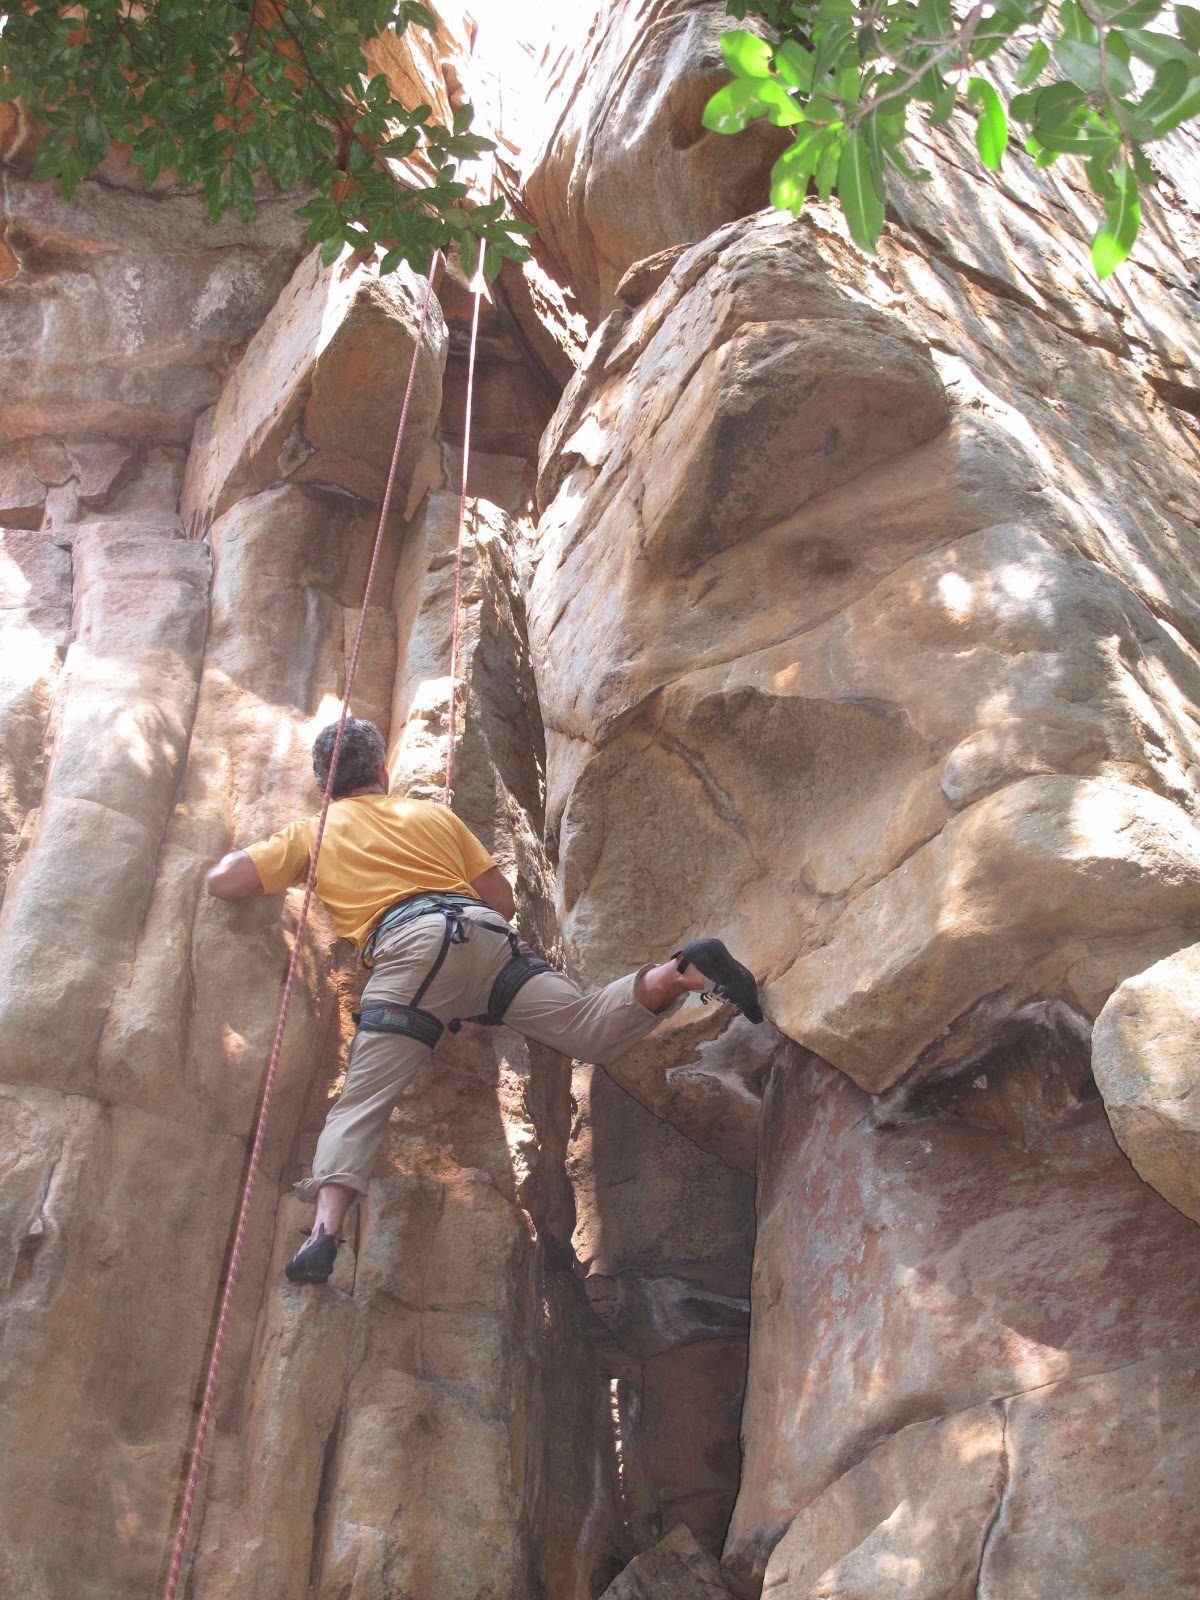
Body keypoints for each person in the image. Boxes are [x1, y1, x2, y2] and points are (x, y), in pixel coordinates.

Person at [207, 717, 764, 1285]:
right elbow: (501, 901)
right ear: (380, 772)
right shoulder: (431, 815)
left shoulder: (314, 833)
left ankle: (325, 1234)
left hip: (408, 950)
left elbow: (224, 881)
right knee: (584, 1027)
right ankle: (679, 972)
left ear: (326, 785)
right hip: (483, 934)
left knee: (362, 1101)